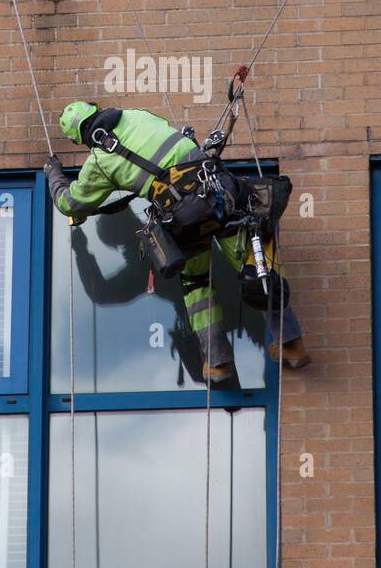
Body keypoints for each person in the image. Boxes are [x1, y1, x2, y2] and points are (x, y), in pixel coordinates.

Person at [44, 101, 310, 384]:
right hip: (217, 194)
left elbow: (69, 203)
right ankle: (291, 344)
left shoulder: (99, 162)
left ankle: (218, 363)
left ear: (78, 138)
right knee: (256, 266)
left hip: (183, 219)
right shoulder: (137, 114)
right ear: (95, 110)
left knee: (196, 284)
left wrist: (53, 173)